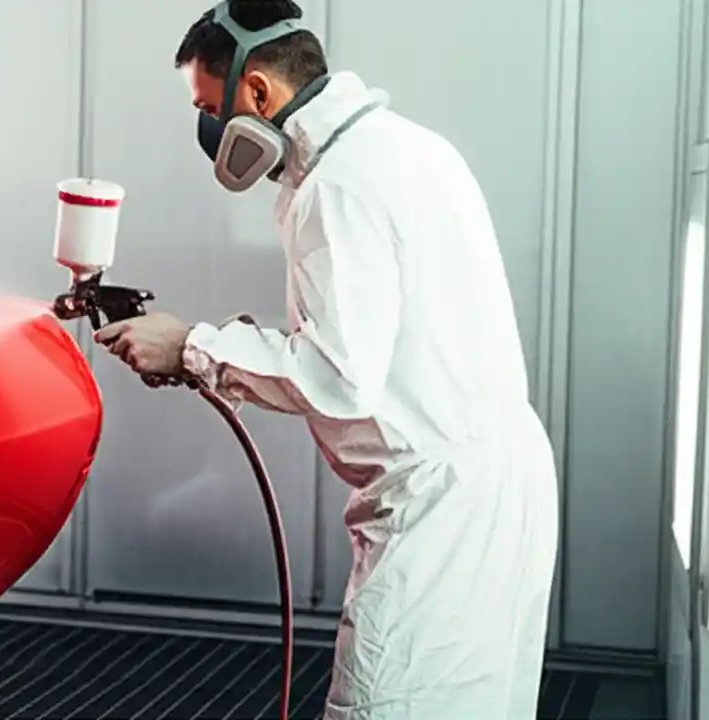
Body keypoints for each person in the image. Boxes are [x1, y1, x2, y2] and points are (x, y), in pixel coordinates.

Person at [93, 1, 560, 717]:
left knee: (385, 704)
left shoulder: (337, 183)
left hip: (436, 507)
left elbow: (338, 376)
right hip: (500, 479)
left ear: (256, 92)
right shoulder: (408, 147)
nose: (208, 130)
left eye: (208, 107)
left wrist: (190, 348)